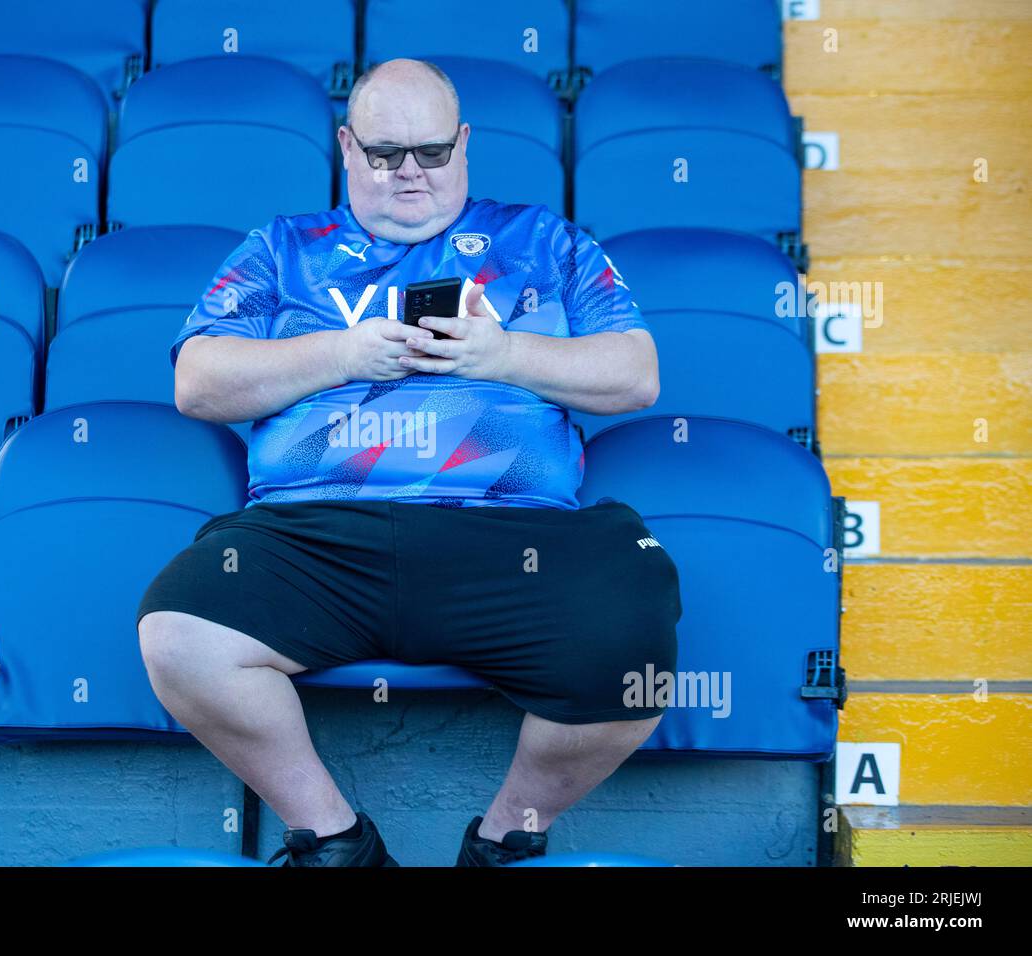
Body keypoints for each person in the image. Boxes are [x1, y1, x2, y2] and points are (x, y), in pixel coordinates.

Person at [137, 58, 682, 866]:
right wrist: (345, 351)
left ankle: (504, 843)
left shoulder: (544, 241)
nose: (410, 174)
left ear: (463, 144)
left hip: (513, 536)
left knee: (637, 658)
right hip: (313, 533)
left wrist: (501, 352)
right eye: (387, 153)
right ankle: (335, 842)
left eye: (431, 152)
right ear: (348, 147)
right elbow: (199, 383)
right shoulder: (282, 248)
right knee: (180, 636)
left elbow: (635, 373)